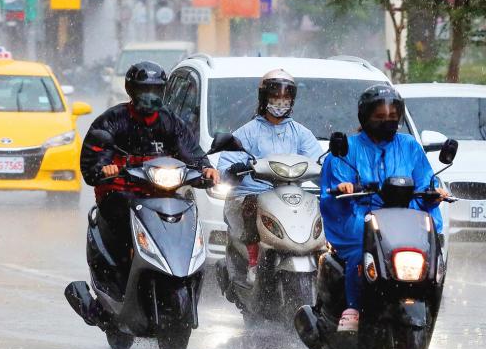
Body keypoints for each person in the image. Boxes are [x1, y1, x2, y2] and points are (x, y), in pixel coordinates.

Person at [320, 84, 447, 333]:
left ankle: (426, 303)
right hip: (360, 214)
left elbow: (426, 180)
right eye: (379, 117)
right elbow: (335, 184)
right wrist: (344, 187)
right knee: (362, 248)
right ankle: (353, 307)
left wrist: (436, 192)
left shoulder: (409, 145)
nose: (387, 121)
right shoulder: (348, 148)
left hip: (405, 218)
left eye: (392, 117)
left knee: (430, 255)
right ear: (365, 117)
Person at [81, 61, 219, 269]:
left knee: (186, 216)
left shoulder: (170, 122)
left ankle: (186, 266)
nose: (150, 96)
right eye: (144, 90)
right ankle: (122, 271)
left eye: (155, 91)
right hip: (121, 193)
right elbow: (95, 158)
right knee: (119, 218)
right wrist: (105, 168)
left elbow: (190, 151)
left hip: (162, 193)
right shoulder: (112, 120)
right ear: (131, 91)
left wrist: (205, 169)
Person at [219, 69, 323, 284]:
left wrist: (337, 178)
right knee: (250, 205)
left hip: (291, 197)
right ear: (264, 98)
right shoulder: (246, 133)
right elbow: (225, 166)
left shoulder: (301, 133)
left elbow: (320, 162)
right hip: (254, 195)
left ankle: (321, 262)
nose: (280, 101)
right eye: (276, 96)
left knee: (319, 208)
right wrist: (233, 171)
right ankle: (253, 262)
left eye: (286, 97)